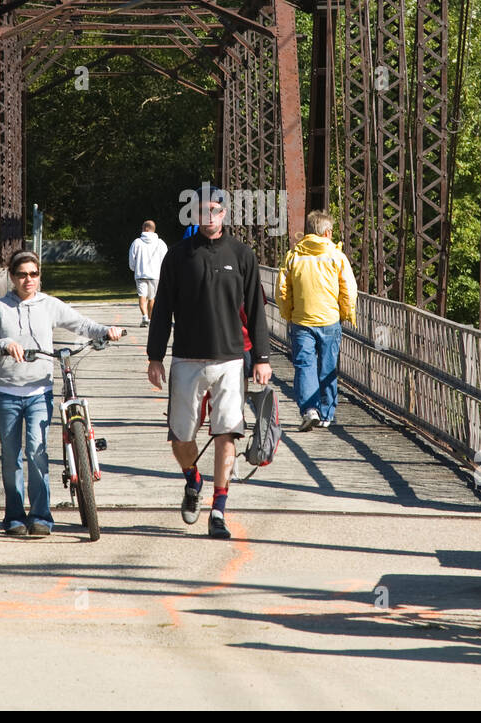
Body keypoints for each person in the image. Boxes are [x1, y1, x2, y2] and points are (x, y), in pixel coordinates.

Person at [147, 187, 272, 540]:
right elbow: (162, 310)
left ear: (225, 213)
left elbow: (257, 310)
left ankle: (218, 509)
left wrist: (261, 357)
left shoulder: (242, 255)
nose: (209, 216)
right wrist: (154, 356)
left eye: (216, 210)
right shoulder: (177, 256)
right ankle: (193, 479)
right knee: (181, 435)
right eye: (202, 210)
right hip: (186, 358)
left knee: (226, 431)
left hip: (230, 359)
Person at [0, 251, 123, 537]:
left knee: (37, 452)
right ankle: (14, 518)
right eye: (22, 274)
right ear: (12, 277)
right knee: (11, 458)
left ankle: (41, 517)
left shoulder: (49, 305)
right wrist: (5, 344)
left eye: (33, 274)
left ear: (39, 276)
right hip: (7, 392)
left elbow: (81, 325)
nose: (28, 279)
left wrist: (106, 330)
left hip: (39, 391)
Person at [276, 210, 357, 431]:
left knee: (304, 365)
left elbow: (282, 290)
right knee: (328, 367)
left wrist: (288, 313)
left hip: (302, 321)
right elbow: (348, 290)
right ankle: (327, 412)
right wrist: (347, 313)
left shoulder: (294, 256)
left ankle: (309, 410)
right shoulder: (336, 256)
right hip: (330, 320)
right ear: (327, 232)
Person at [127, 220, 168, 327]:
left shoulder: (137, 242)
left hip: (140, 274)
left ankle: (145, 316)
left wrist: (133, 268)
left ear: (145, 229)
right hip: (155, 275)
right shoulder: (160, 243)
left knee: (142, 296)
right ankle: (150, 319)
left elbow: (132, 259)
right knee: (152, 298)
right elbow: (165, 259)